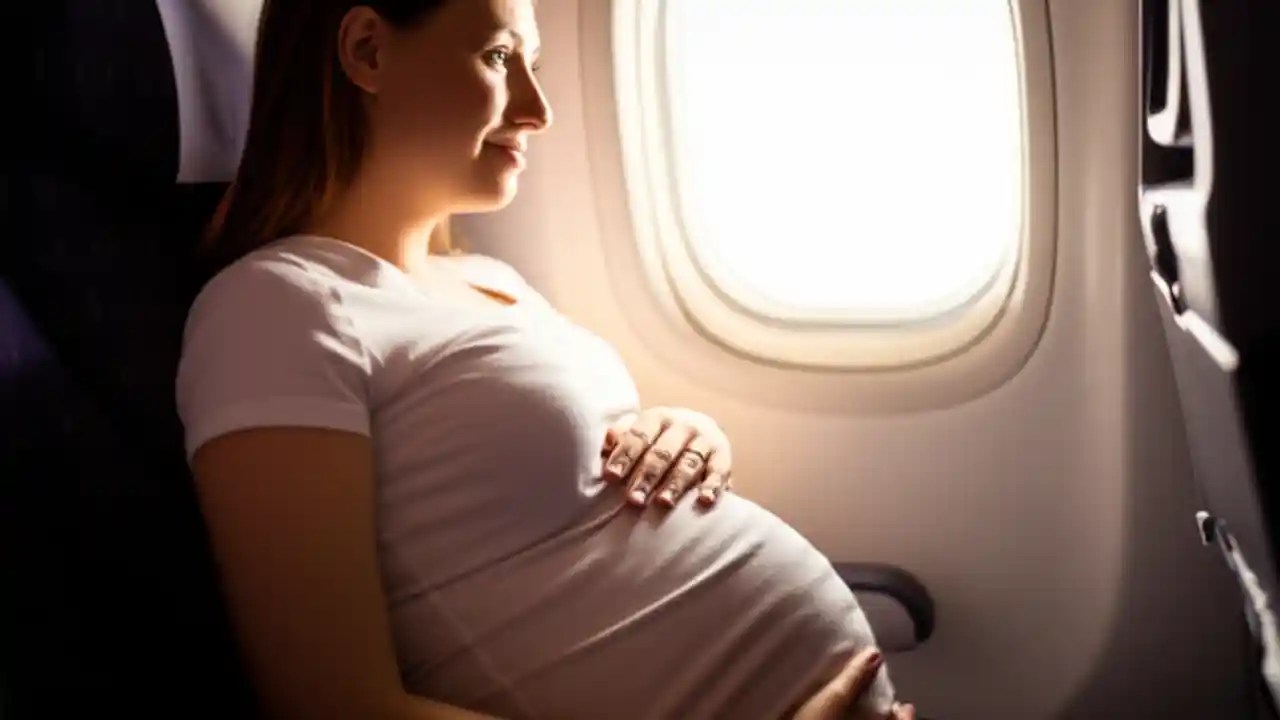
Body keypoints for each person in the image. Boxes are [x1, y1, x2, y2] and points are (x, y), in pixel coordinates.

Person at [176, 1, 918, 718]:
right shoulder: (274, 308)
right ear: (367, 50)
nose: (538, 109)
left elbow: (558, 505)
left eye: (533, 63)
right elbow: (332, 705)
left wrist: (685, 436)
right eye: (500, 57)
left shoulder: (491, 283)